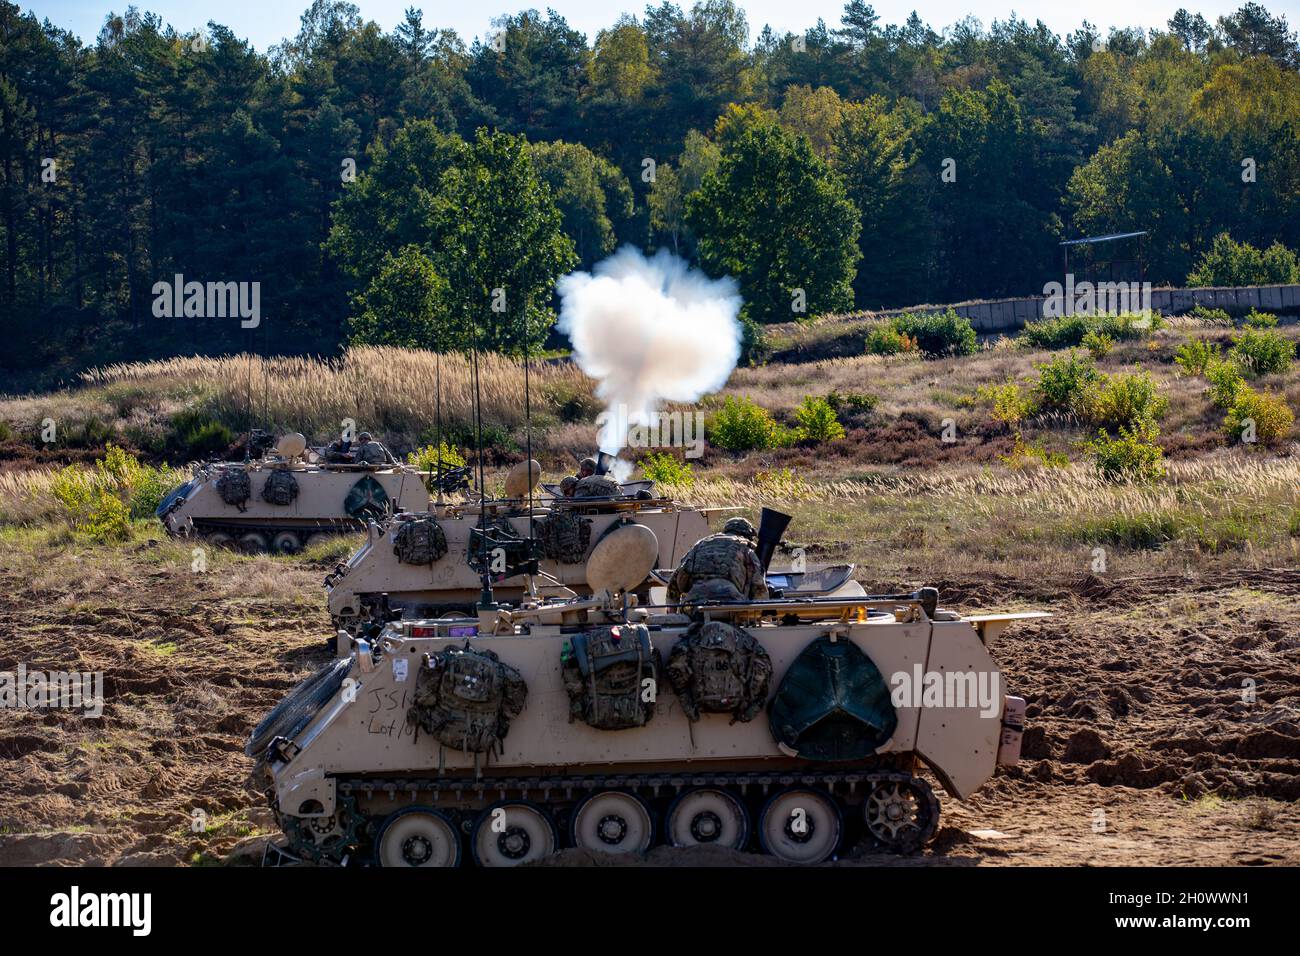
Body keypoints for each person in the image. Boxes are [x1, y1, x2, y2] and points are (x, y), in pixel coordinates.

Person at [667, 516, 769, 608]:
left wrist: (671, 613)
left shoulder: (701, 544)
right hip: (731, 605)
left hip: (695, 603)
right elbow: (759, 587)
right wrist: (759, 616)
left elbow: (675, 581)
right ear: (747, 535)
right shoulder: (745, 548)